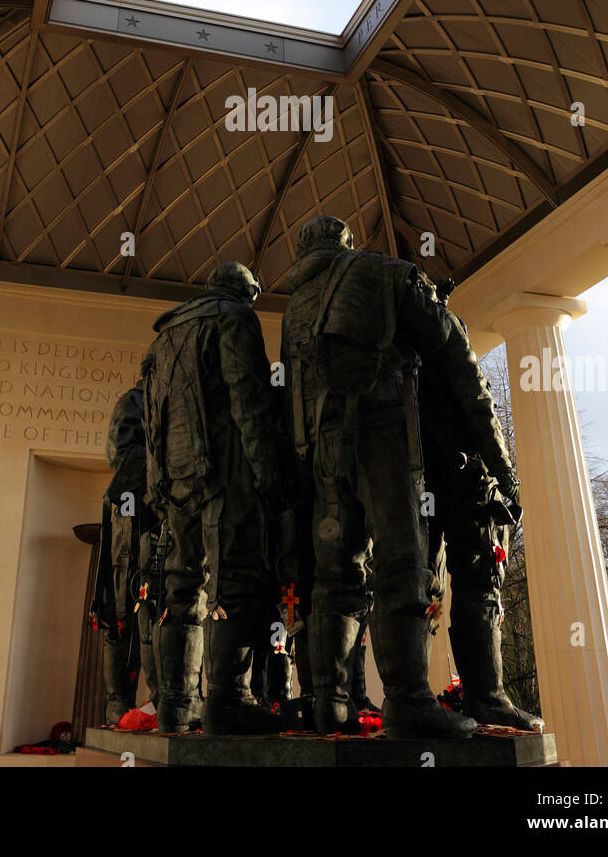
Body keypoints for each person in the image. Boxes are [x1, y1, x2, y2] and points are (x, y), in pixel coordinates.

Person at [281, 215, 487, 739]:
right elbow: (442, 336)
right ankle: (409, 702)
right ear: (346, 241)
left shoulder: (295, 301)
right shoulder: (384, 271)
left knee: (335, 575)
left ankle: (330, 702)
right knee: (401, 562)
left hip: (320, 452)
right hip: (382, 437)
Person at [144, 260, 287, 735]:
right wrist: (269, 473)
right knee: (236, 582)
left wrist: (154, 486)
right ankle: (228, 699)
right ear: (244, 292)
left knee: (181, 588)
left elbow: (150, 421)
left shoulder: (163, 336)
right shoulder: (234, 316)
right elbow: (250, 400)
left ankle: (175, 705)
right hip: (224, 474)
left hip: (173, 480)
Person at [421, 292, 544, 732]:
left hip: (415, 483)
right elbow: (478, 403)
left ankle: (416, 701)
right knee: (480, 582)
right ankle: (486, 697)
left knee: (423, 590)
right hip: (465, 479)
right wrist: (506, 474)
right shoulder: (444, 326)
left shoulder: (391, 343)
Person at [91, 357, 159, 724]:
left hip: (159, 520)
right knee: (123, 612)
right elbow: (121, 455)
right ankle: (120, 711)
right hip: (133, 520)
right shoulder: (135, 401)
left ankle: (165, 702)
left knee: (160, 610)